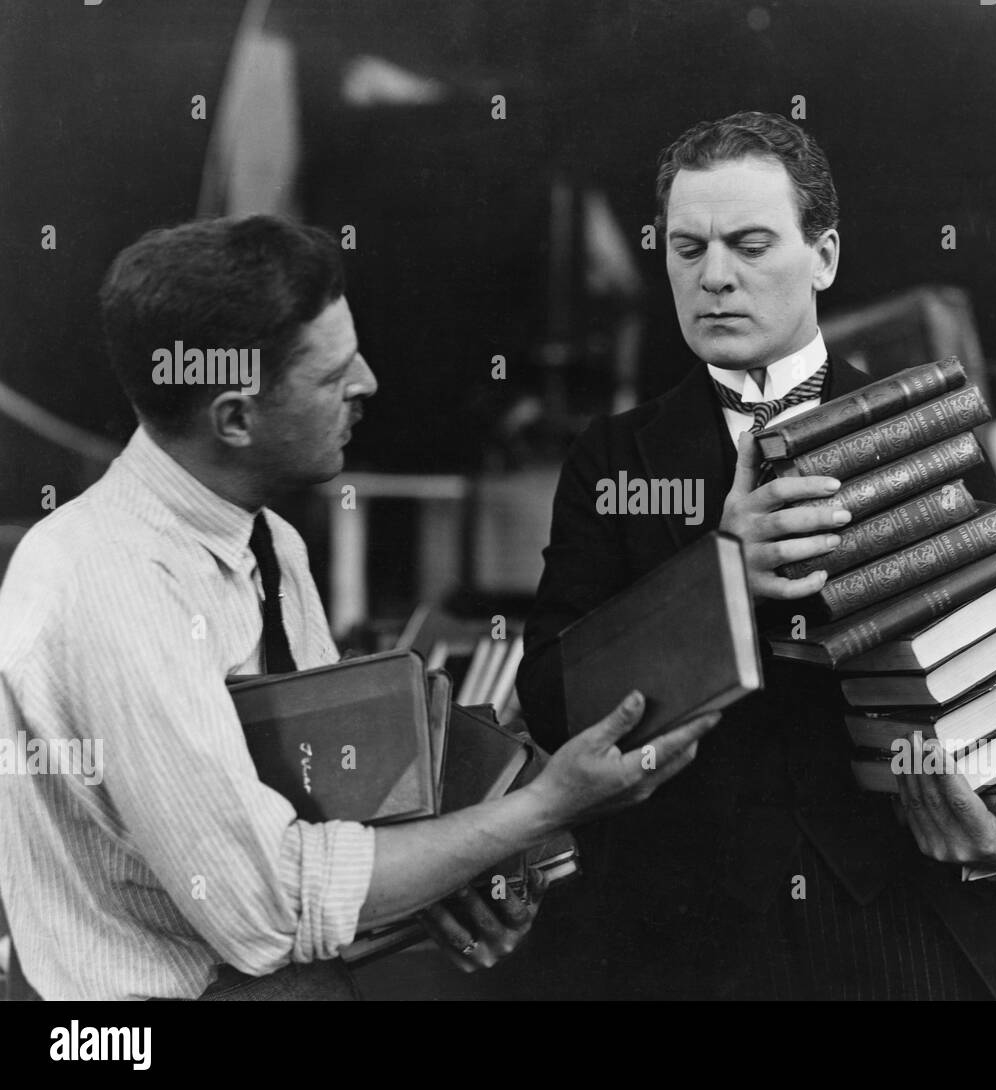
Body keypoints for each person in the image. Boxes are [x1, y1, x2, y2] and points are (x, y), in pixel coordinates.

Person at [0, 215, 718, 1001]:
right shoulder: (109, 586)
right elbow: (273, 906)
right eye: (333, 374)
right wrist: (547, 807)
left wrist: (445, 875)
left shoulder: (270, 541)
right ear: (235, 418)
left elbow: (332, 818)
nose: (368, 383)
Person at [517, 112, 996, 1000]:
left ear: (826, 257)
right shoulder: (613, 457)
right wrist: (718, 571)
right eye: (687, 249)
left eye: (750, 244)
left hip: (901, 924)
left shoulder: (921, 425)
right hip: (684, 939)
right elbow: (551, 700)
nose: (715, 276)